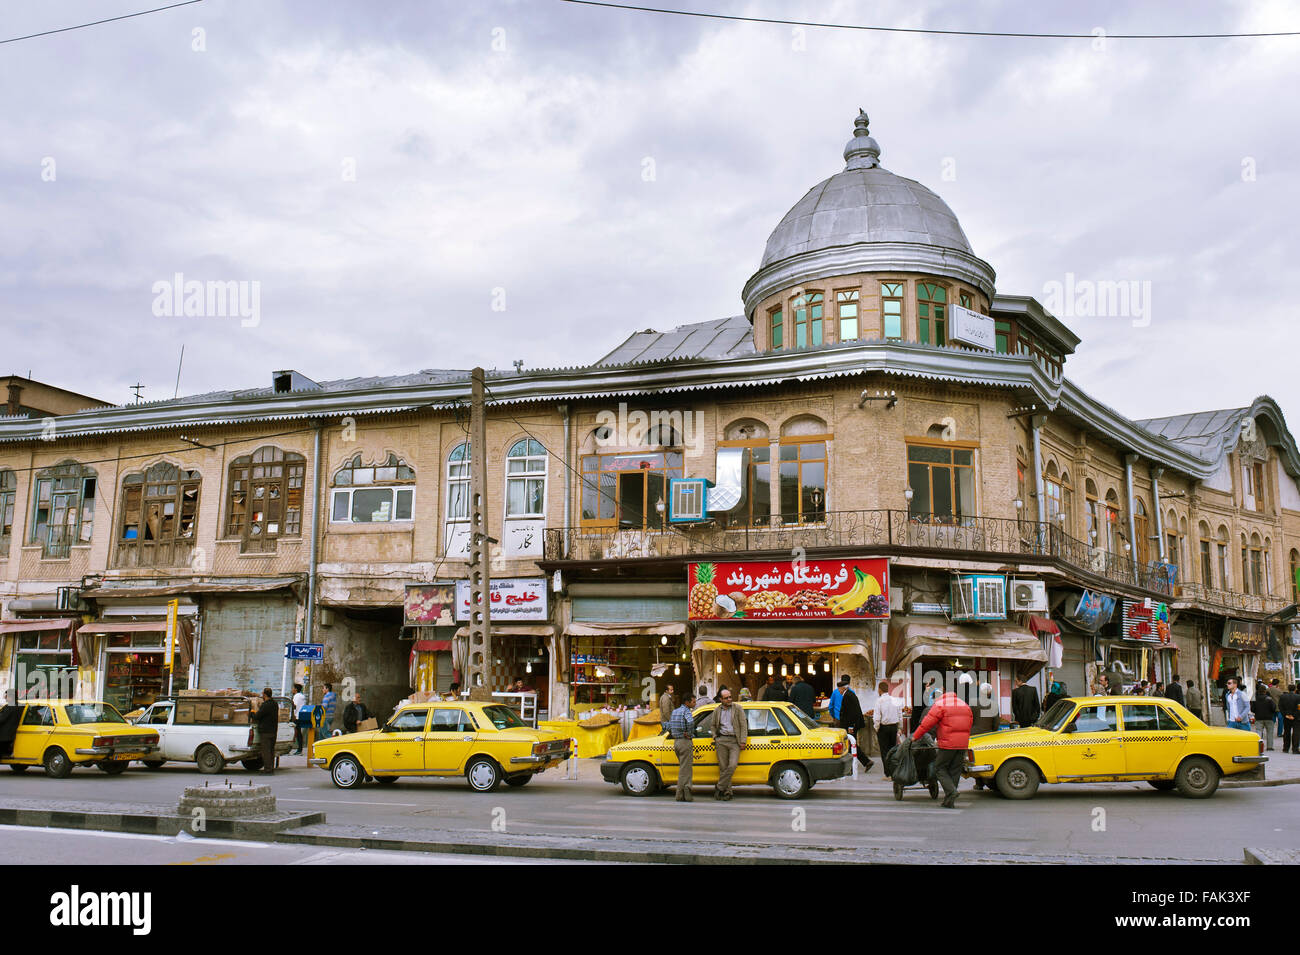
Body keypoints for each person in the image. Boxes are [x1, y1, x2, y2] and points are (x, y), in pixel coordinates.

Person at [911, 674, 975, 808]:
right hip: (962, 744)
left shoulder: (941, 705)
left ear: (944, 689)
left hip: (947, 743)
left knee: (939, 767)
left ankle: (951, 791)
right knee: (955, 770)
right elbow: (970, 723)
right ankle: (949, 800)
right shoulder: (964, 705)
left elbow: (926, 724)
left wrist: (915, 737)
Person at [711, 688, 747, 800]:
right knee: (723, 768)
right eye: (726, 698)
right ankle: (727, 792)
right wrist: (715, 737)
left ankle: (719, 786)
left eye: (730, 697)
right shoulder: (717, 710)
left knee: (732, 766)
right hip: (721, 740)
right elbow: (712, 725)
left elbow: (743, 725)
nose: (729, 699)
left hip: (734, 741)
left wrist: (742, 741)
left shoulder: (738, 708)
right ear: (721, 699)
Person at [836, 676, 872, 772]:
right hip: (851, 725)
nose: (838, 690)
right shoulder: (849, 694)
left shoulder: (848, 696)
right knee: (852, 744)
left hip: (851, 725)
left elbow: (852, 713)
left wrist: (851, 726)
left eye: (839, 688)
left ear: (843, 688)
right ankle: (865, 762)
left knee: (851, 745)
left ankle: (855, 766)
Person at [667, 692, 697, 801]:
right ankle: (680, 794)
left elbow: (669, 725)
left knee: (685, 768)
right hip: (685, 742)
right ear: (687, 702)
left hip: (677, 742)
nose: (695, 703)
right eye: (693, 701)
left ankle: (686, 793)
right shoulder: (686, 711)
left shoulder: (675, 711)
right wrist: (689, 733)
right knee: (685, 770)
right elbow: (690, 722)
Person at [874, 681, 904, 775]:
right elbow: (900, 715)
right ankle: (894, 771)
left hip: (884, 728)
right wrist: (900, 728)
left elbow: (877, 717)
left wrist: (877, 728)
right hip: (893, 727)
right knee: (893, 750)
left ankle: (888, 773)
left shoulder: (879, 701)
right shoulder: (894, 700)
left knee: (884, 751)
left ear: (879, 690)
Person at [255, 688, 279, 775]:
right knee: (271, 751)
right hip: (273, 730)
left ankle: (267, 770)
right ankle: (271, 768)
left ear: (265, 695)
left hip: (265, 731)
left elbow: (258, 716)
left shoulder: (265, 705)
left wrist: (252, 714)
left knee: (266, 752)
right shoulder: (275, 704)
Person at [1252, 687, 1277, 751]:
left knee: (1259, 732)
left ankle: (1259, 747)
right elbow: (1274, 708)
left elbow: (1252, 709)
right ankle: (1269, 747)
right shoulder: (1269, 699)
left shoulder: (1255, 699)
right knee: (1270, 732)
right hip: (1269, 718)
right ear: (1265, 691)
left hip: (1259, 717)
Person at [0, 688, 21, 760]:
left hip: (5, 735)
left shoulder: (9, 707)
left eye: (6, 696)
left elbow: (1, 719)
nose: (5, 697)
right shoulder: (20, 706)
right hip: (11, 734)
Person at [1279, 684, 1300, 754]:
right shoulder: (1298, 697)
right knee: (1296, 733)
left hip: (1286, 717)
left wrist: (1285, 715)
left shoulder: (1283, 697)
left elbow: (1280, 707)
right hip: (1296, 718)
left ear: (1288, 689)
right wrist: (1294, 715)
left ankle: (1286, 748)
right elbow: (1299, 708)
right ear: (1294, 689)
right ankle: (1295, 749)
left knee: (1286, 732)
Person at [291, 683, 307, 754]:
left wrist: (292, 716)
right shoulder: (302, 696)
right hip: (301, 716)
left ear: (296, 689)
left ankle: (299, 749)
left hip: (296, 716)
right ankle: (299, 748)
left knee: (297, 733)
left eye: (293, 688)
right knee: (298, 733)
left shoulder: (296, 696)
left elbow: (295, 706)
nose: (292, 689)